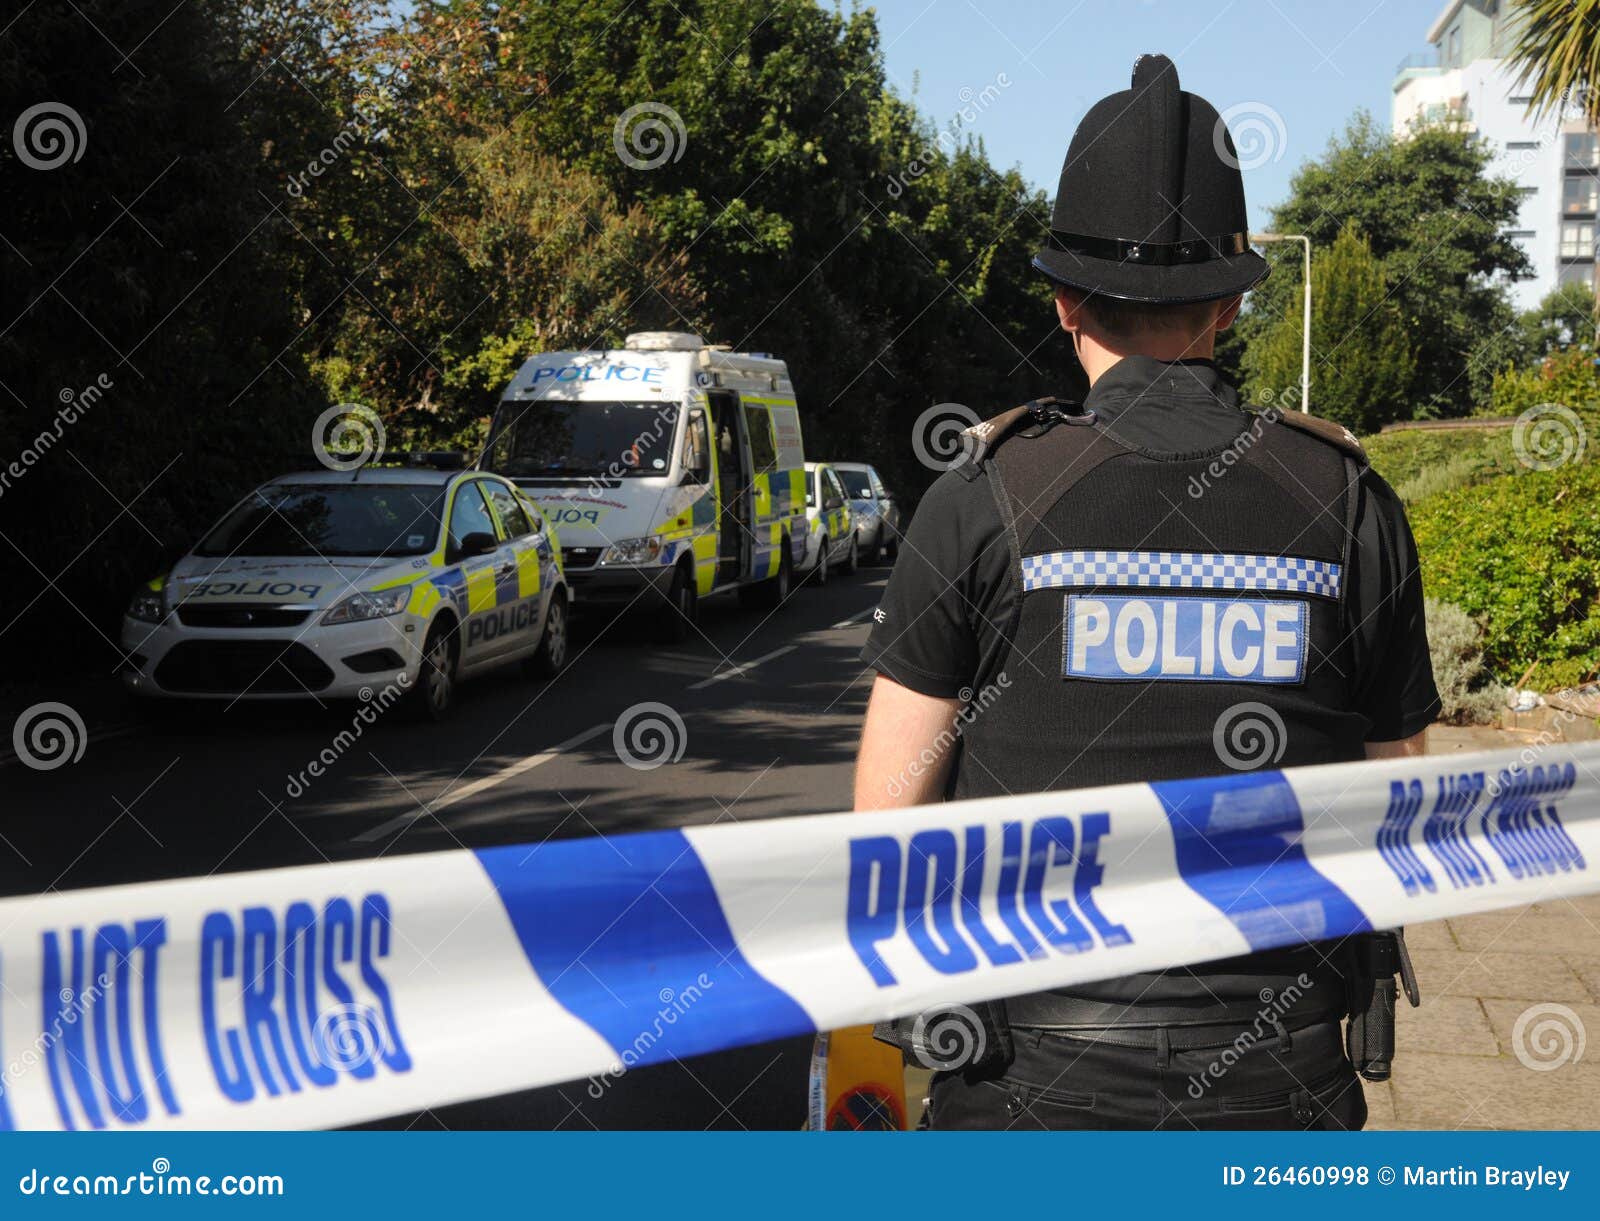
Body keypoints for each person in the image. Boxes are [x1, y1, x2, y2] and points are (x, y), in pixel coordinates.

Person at [854, 53, 1441, 1131]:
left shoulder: (981, 498)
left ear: (1063, 299)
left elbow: (887, 826)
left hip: (1024, 1083)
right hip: (1280, 1082)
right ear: (1230, 303)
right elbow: (1397, 811)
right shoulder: (1347, 501)